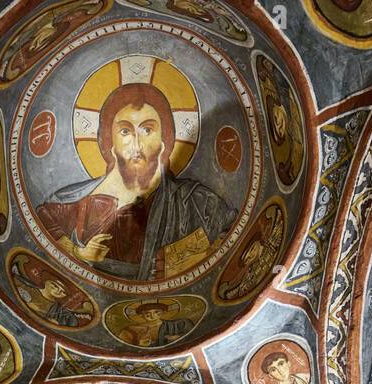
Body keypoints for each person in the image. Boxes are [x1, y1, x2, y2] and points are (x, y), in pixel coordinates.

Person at [37, 82, 234, 281]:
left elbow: (230, 232)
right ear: (108, 140)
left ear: (164, 140)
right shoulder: (78, 201)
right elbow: (43, 222)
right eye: (125, 131)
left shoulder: (195, 202)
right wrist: (78, 253)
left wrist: (191, 257)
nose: (137, 144)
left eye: (147, 130)